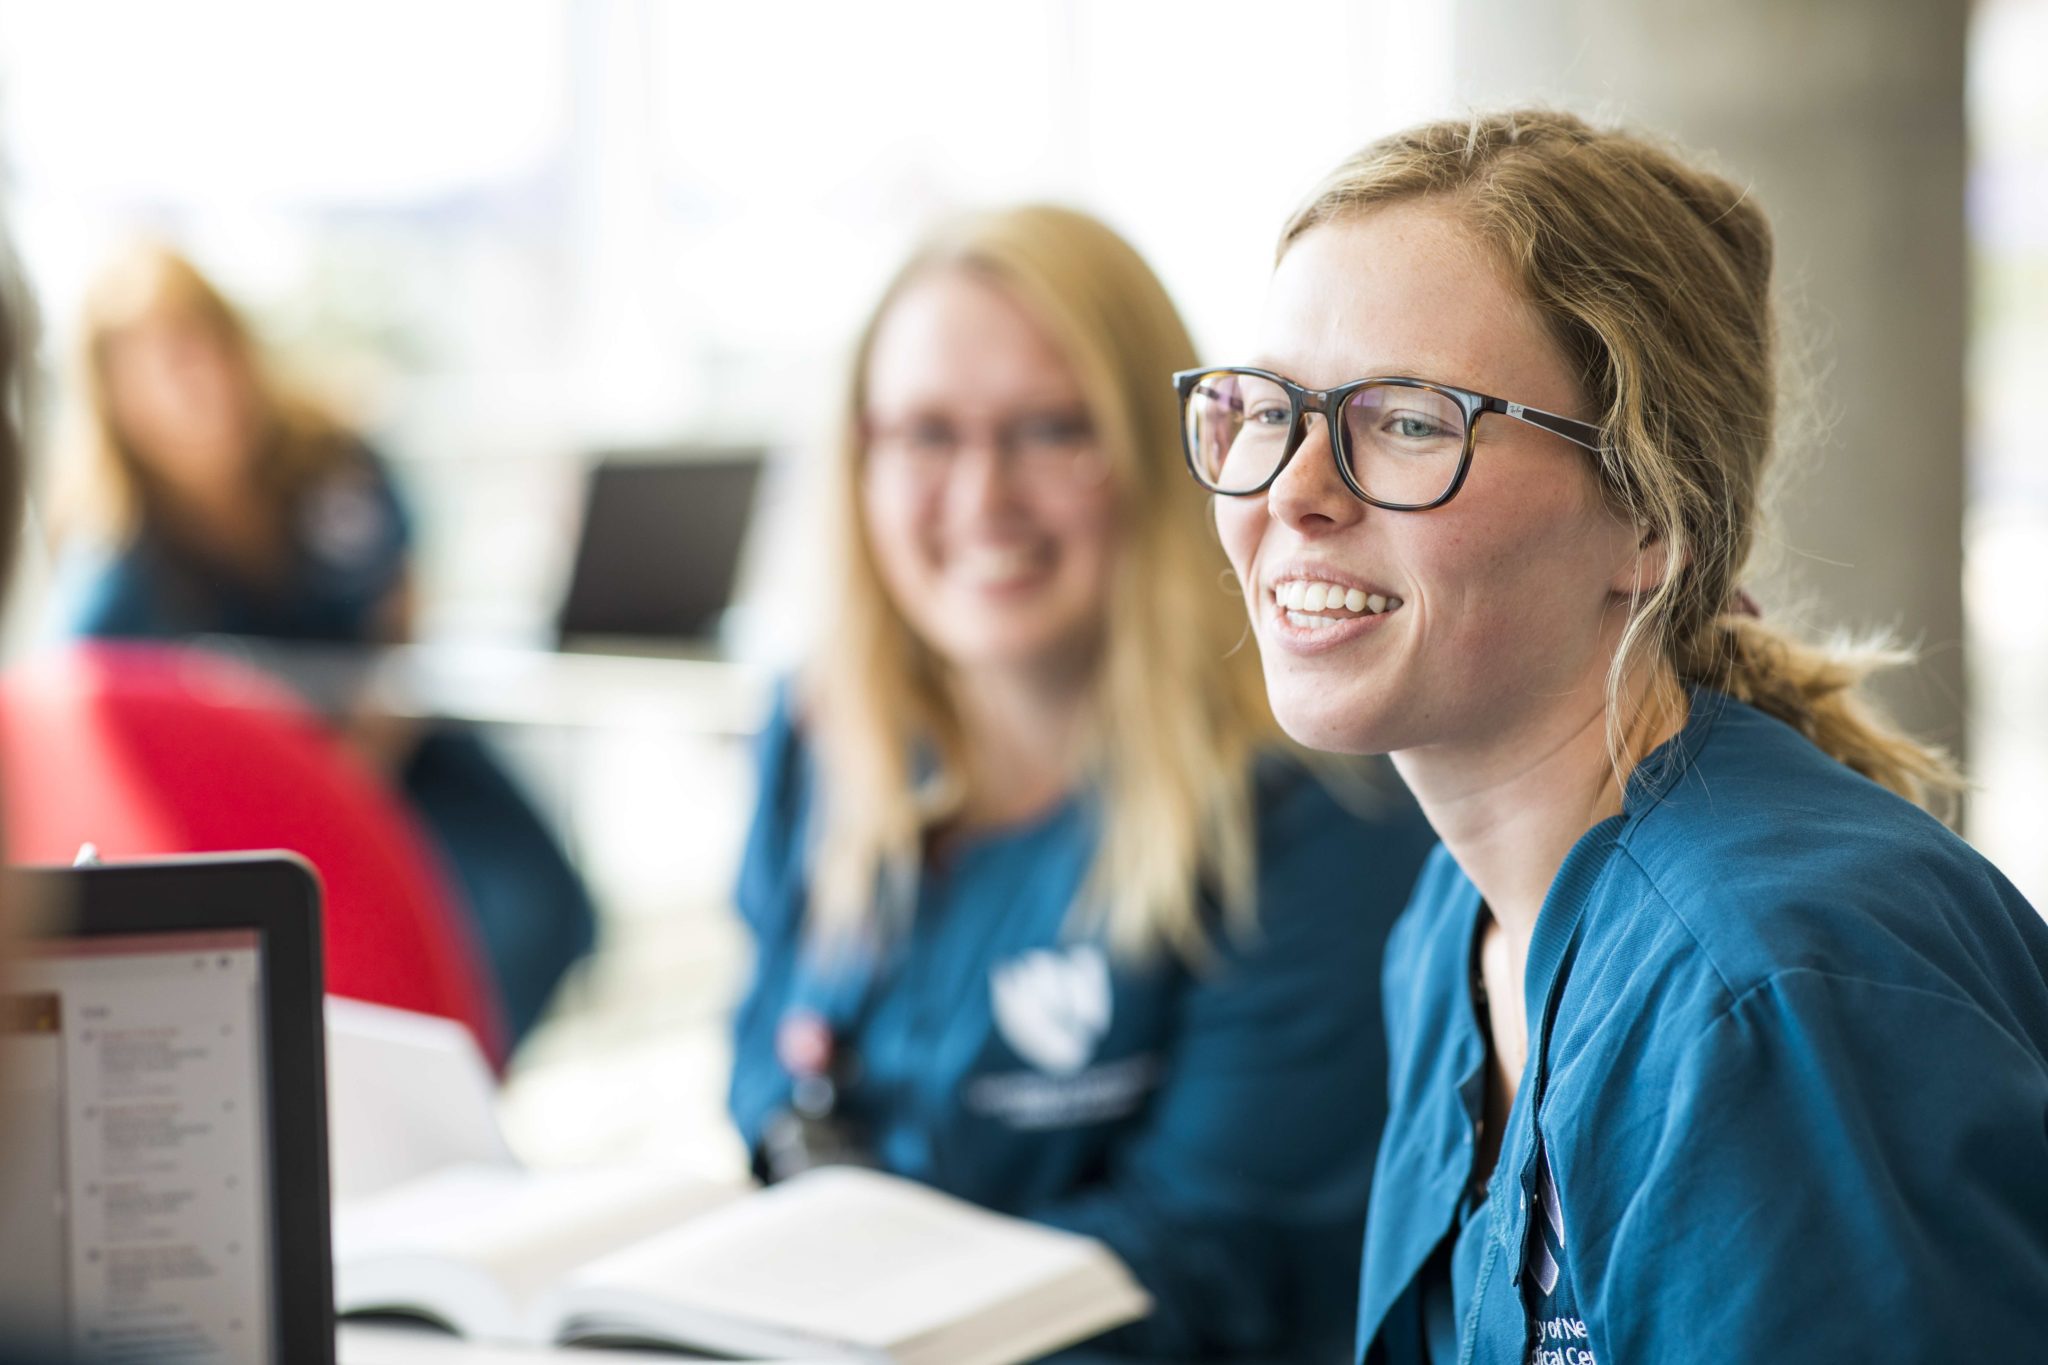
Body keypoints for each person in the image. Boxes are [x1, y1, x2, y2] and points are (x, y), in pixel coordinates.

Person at [1184, 108, 2048, 1362]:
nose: (1293, 492)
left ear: (1646, 519)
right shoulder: (1458, 923)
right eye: (1266, 409)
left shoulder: (1762, 998)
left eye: (1409, 421)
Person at [727, 204, 1436, 1363]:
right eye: (924, 435)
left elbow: (1212, 1266)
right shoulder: (815, 739)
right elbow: (766, 1105)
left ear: (1172, 457)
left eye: (1053, 430)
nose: (982, 496)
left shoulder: (1313, 803)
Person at [49, 242, 594, 1044]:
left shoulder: (331, 464)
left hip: (396, 763)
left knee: (533, 905)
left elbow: (397, 607)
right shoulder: (116, 565)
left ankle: (466, 1088)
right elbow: (93, 733)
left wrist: (358, 756)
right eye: (156, 365)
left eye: (201, 348)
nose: (190, 382)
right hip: (242, 820)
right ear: (113, 396)